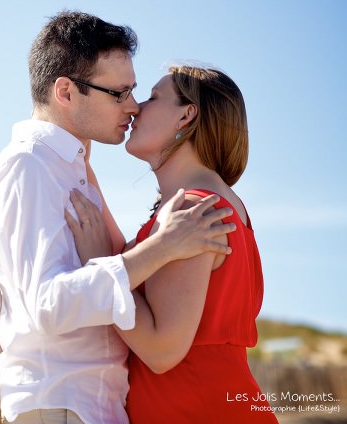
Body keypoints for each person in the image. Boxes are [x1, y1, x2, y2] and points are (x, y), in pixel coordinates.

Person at [0, 11, 237, 424]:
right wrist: (162, 248)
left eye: (134, 91)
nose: (132, 106)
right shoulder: (28, 167)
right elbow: (47, 305)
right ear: (65, 92)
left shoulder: (71, 168)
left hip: (92, 405)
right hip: (58, 404)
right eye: (119, 93)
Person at [69, 64, 277, 423]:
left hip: (195, 409)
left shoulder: (192, 209)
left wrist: (99, 268)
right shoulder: (216, 202)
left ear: (186, 115)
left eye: (152, 97)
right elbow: (129, 255)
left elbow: (162, 349)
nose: (136, 107)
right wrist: (81, 160)